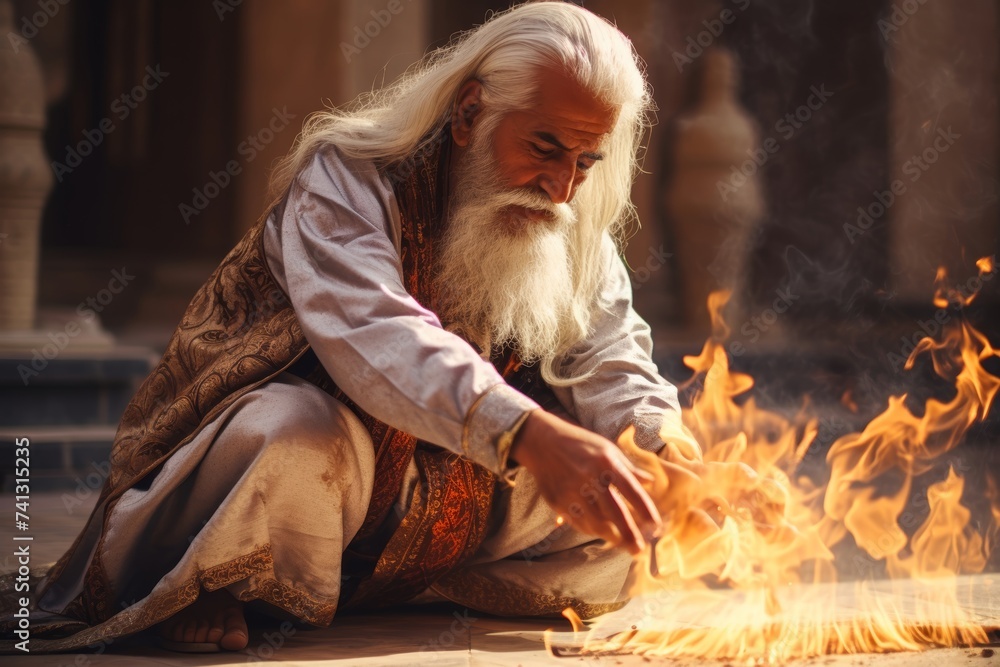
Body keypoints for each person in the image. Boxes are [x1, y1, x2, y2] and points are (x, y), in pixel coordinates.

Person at [6, 1, 702, 653]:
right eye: (545, 146)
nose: (562, 186)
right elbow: (377, 335)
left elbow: (615, 360)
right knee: (297, 432)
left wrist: (670, 454)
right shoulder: (348, 178)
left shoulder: (569, 221)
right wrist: (528, 434)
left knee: (624, 499)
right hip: (325, 469)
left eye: (586, 161)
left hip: (432, 495)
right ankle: (214, 573)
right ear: (469, 113)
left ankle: (366, 581)